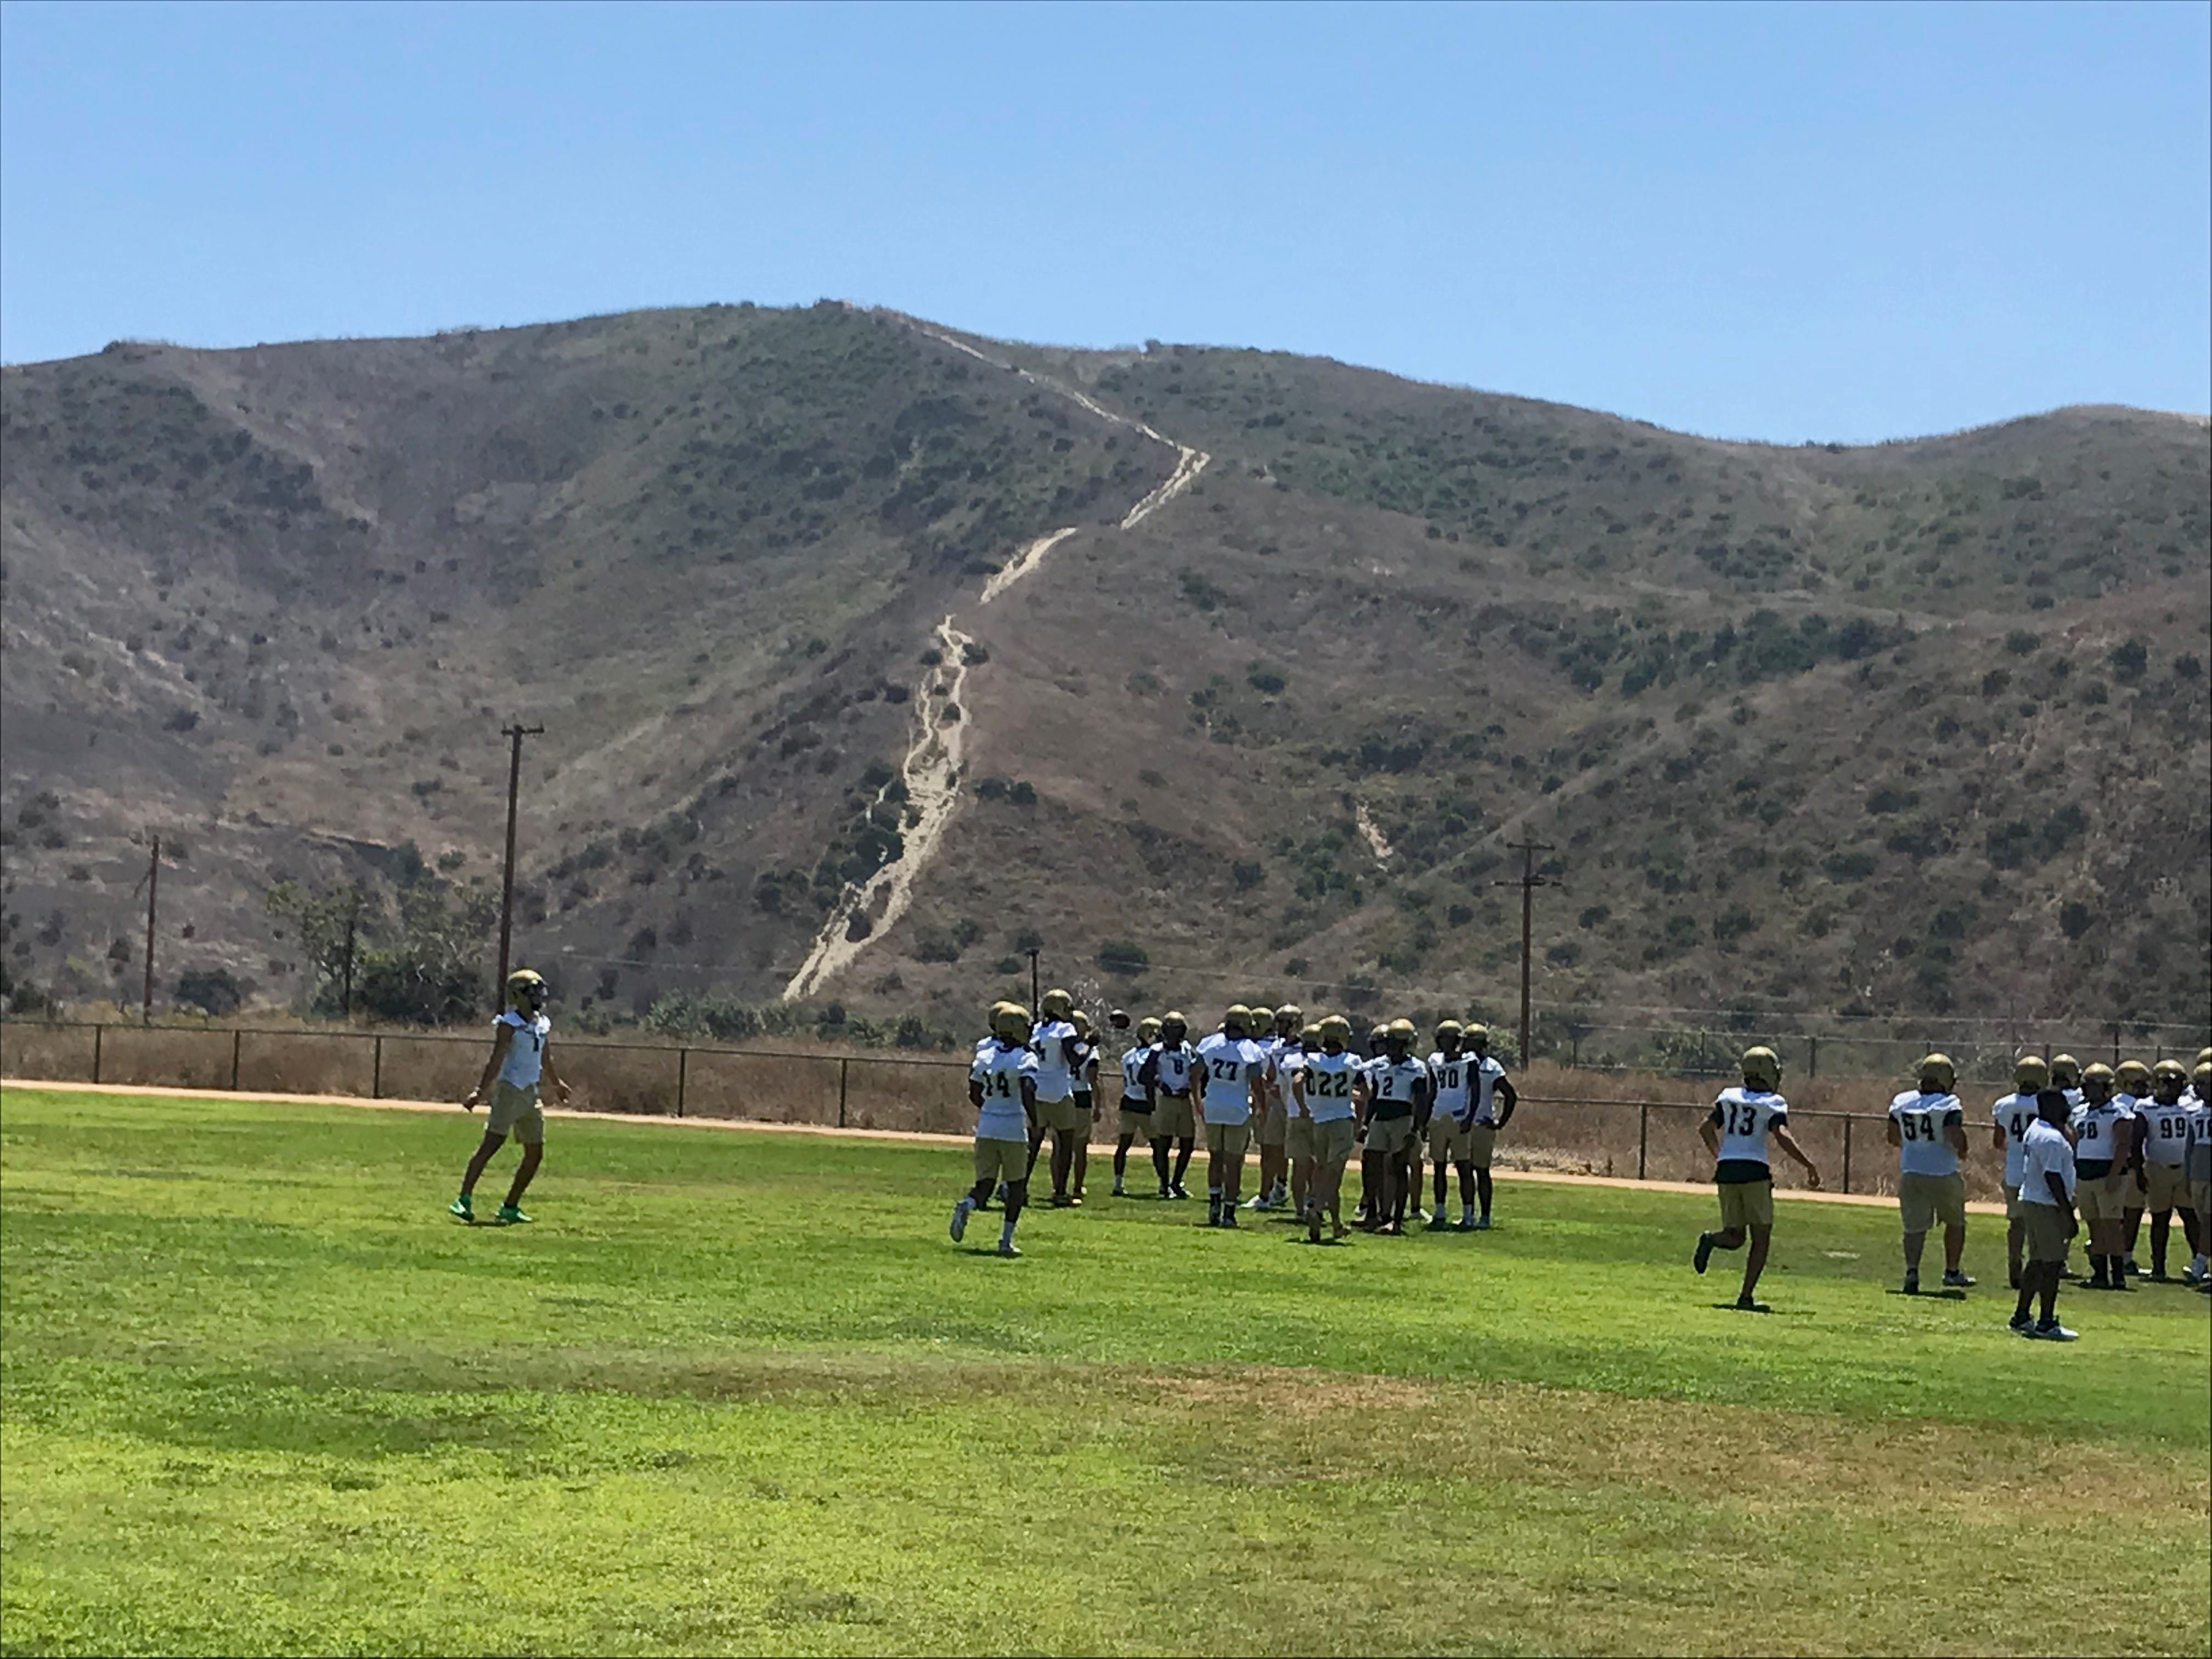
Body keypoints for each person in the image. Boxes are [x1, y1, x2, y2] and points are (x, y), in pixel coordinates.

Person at [1692, 1045, 1822, 1310]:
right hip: (1754, 1171)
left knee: (1735, 1236)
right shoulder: (1773, 1102)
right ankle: (1746, 1297)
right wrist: (1807, 1164)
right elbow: (1782, 1135)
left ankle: (1711, 1240)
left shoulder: (1729, 1097)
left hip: (1727, 1170)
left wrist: (1721, 1155)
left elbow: (1705, 1129)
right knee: (1760, 1237)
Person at [450, 968, 571, 1226]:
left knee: (535, 1152)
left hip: (530, 1092)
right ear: (518, 995)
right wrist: (480, 1091)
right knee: (491, 1145)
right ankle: (463, 1198)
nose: (538, 996)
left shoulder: (542, 1024)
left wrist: (556, 1083)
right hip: (509, 1091)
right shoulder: (509, 1024)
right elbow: (496, 1060)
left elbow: (546, 1057)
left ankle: (510, 1206)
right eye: (532, 992)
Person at [951, 1002, 1039, 1257]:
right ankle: (1005, 1240)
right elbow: (1027, 1089)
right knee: (1016, 1186)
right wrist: (1035, 1120)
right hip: (1012, 1125)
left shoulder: (985, 1055)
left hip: (987, 1124)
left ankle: (967, 1204)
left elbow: (974, 1092)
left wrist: (990, 1107)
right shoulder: (1026, 1056)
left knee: (985, 1185)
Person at [1887, 1053, 1973, 1295]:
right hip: (1943, 1171)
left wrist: (1915, 1147)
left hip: (1911, 1169)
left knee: (1914, 1227)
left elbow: (1892, 1137)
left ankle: (1912, 1271)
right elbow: (1953, 1131)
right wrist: (1963, 1149)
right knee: (1955, 1222)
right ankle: (1952, 1271)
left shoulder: (1902, 1101)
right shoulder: (1948, 1103)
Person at [2011, 1087, 2080, 1340]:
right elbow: (2053, 1177)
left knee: (2038, 1260)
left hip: (2032, 1199)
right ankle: (2047, 1321)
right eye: (2063, 1104)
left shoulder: (2036, 1129)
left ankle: (2021, 1315)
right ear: (2050, 1106)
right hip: (2046, 1204)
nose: (2067, 1109)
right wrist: (2067, 1213)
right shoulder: (2051, 1138)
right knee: (2052, 1264)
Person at [1355, 1019, 1430, 1236]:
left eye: (1397, 1043)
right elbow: (1375, 1097)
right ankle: (1373, 1214)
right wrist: (1367, 1124)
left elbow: (1421, 1100)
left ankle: (1396, 1220)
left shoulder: (1416, 1067)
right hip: (1381, 1117)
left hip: (1402, 1118)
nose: (1392, 1047)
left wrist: (1416, 1129)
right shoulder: (1380, 1065)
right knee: (1370, 1161)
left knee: (1399, 1168)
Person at [1194, 1006, 1265, 1225]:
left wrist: (1197, 1100)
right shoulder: (1250, 1050)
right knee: (1233, 1162)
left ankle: (1215, 1203)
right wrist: (1262, 1107)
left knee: (1216, 1158)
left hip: (1213, 1105)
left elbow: (1194, 1074)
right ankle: (1229, 1212)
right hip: (1237, 1109)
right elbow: (1256, 1084)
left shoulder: (1210, 1044)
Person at [1296, 1015, 1363, 1243]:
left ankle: (1335, 1224)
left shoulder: (1313, 1060)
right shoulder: (1351, 1061)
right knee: (1334, 1174)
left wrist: (1305, 1108)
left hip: (1319, 1120)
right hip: (1341, 1119)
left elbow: (1297, 1082)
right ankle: (1316, 1208)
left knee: (1323, 1171)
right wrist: (1360, 1118)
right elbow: (1366, 1093)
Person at [2069, 1063, 2133, 1290]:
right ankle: (2099, 1274)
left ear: (2106, 1088)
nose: (2088, 1091)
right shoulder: (2079, 1112)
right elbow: (2075, 1143)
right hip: (2085, 1175)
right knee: (2094, 1225)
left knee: (2112, 1225)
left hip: (2107, 1174)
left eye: (2094, 1087)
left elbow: (2124, 1144)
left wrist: (2115, 1173)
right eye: (2087, 1086)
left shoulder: (2119, 1112)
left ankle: (2118, 1275)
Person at [2133, 1059, 2197, 1281]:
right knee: (2160, 1219)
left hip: (2184, 1167)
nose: (2170, 1088)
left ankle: (2199, 1266)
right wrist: (2139, 1171)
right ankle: (2158, 1267)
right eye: (2165, 1082)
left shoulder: (2190, 1105)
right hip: (2157, 1167)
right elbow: (2137, 1141)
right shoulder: (2144, 1107)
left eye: (2176, 1083)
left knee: (2190, 1217)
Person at [1991, 1053, 2050, 1291]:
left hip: (2015, 1169)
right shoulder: (2046, 1103)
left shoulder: (2004, 1104)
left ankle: (2014, 1264)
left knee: (2017, 1224)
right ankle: (2039, 1268)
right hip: (2041, 1170)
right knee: (2042, 1224)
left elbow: (1998, 1141)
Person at [1024, 988, 1086, 1207]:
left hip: (1036, 1090)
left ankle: (1017, 1188)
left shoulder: (1034, 1029)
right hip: (1059, 1091)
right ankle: (1060, 1192)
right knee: (1065, 1143)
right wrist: (1089, 1044)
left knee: (1032, 1144)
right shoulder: (1066, 1028)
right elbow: (1076, 1059)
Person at [1462, 1024, 1517, 1231]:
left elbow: (1510, 1095)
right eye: (1468, 1042)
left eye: (1474, 1043)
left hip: (1482, 1125)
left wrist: (1499, 1123)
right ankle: (1468, 1214)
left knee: (1482, 1171)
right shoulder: (1460, 1063)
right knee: (1464, 1171)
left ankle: (1485, 1216)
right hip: (1462, 1123)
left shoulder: (1491, 1067)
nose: (1470, 1047)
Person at [1248, 1005, 1301, 1211]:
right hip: (1277, 1103)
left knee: (1302, 1153)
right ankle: (1265, 1194)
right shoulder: (1274, 1048)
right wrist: (1269, 1086)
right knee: (1270, 1148)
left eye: (1284, 1023)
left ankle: (1305, 1195)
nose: (1279, 1027)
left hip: (1296, 1103)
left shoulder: (1303, 1049)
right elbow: (1267, 1074)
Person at [1142, 1011, 1200, 1199]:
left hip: (1184, 1100)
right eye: (1171, 1029)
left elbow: (1197, 1073)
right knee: (1163, 1144)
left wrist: (1191, 1088)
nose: (1174, 1034)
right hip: (1166, 1101)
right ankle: (1164, 1184)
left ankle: (1177, 1181)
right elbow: (1144, 1076)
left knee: (1188, 1142)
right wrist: (1160, 1084)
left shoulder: (1188, 1051)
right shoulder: (1157, 1050)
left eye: (1178, 1030)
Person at [1424, 1020, 1476, 1229]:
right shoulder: (1434, 1060)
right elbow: (1431, 1090)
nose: (1447, 1043)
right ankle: (1440, 1211)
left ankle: (1468, 1213)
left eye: (1451, 1039)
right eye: (1443, 1039)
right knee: (1438, 1167)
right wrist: (1425, 1120)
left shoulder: (1469, 1061)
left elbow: (1475, 1090)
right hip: (1438, 1116)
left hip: (1458, 1116)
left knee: (1464, 1167)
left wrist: (1470, 1118)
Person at [1110, 1016, 1161, 1197]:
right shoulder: (1152, 1055)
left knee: (1123, 1145)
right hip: (1144, 1103)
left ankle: (1118, 1183)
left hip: (1128, 1099)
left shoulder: (1127, 1056)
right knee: (1158, 1146)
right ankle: (1164, 1184)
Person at [2111, 1058, 2152, 1275]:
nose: (2144, 1088)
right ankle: (2124, 1257)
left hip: (2114, 1164)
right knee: (2132, 1213)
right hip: (2131, 1165)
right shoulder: (2133, 1105)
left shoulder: (2115, 1102)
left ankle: (2111, 1253)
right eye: (2139, 1084)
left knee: (2116, 1214)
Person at [1352, 1022, 1391, 1226]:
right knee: (1369, 1163)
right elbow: (1360, 1092)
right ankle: (1368, 1203)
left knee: (1388, 1165)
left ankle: (1386, 1208)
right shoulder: (1366, 1067)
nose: (1382, 1048)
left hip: (1388, 1117)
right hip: (1370, 1118)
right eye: (1379, 1044)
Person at [1280, 1021, 1319, 1224]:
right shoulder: (1322, 1060)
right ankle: (1314, 1204)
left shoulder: (1289, 1060)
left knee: (1299, 1166)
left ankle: (1299, 1210)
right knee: (1319, 1165)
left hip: (1296, 1115)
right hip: (1318, 1115)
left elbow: (1284, 1088)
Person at [1067, 1009, 1100, 1203]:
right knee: (1080, 1148)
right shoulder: (1091, 1050)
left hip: (1063, 1094)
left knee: (1060, 1146)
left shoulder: (1062, 1046)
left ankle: (1058, 1187)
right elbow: (1093, 1079)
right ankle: (1077, 1187)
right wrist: (1098, 1105)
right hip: (1081, 1096)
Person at [2186, 1061, 2212, 1289]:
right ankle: (2202, 1265)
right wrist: (2187, 1174)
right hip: (2198, 1172)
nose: (2203, 1089)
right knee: (2203, 1220)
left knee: (2209, 1222)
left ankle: (2199, 1265)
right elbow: (2190, 1145)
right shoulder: (2193, 1110)